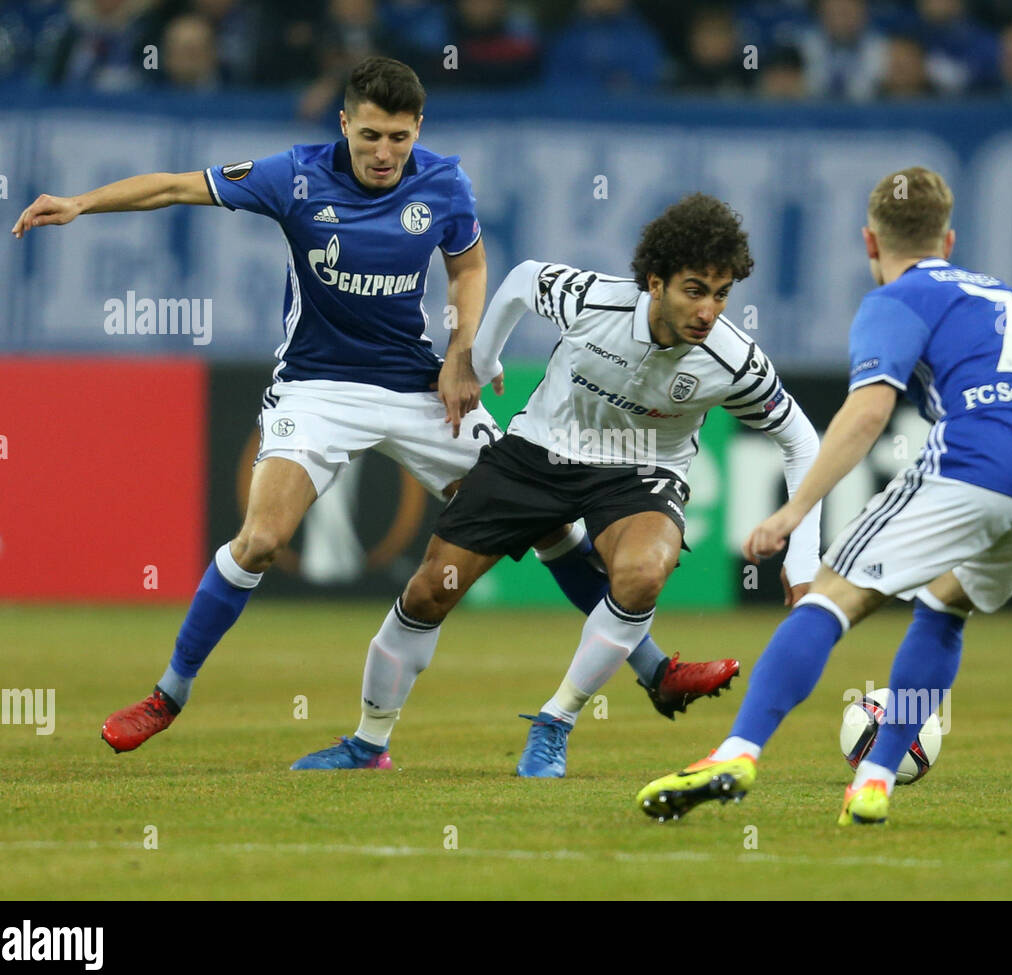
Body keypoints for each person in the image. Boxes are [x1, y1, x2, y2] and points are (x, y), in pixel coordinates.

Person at [11, 56, 737, 768]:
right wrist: (80, 203)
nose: (385, 153)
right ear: (344, 126)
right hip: (317, 389)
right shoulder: (292, 176)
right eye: (370, 137)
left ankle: (653, 670)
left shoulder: (445, 183)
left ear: (417, 128)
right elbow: (174, 186)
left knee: (544, 514)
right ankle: (168, 695)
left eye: (399, 137)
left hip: (415, 388)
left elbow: (471, 267)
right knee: (262, 540)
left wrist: (462, 354)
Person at [638, 166, 1012, 824]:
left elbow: (868, 411)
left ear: (868, 243)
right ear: (948, 241)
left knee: (832, 598)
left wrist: (795, 510)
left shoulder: (895, 300)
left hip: (976, 465)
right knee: (944, 608)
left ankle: (737, 751)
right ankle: (876, 778)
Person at [299, 193, 822, 777]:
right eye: (694, 290)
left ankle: (556, 722)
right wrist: (479, 360)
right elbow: (522, 280)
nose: (708, 311)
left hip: (639, 474)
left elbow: (803, 442)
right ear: (655, 283)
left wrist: (803, 564)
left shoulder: (733, 362)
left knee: (644, 572)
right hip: (536, 454)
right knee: (429, 591)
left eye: (721, 294)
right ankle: (369, 746)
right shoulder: (593, 299)